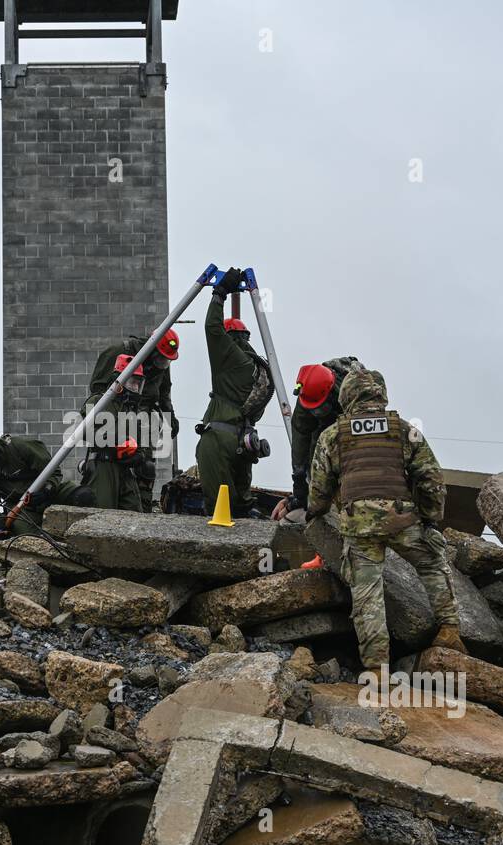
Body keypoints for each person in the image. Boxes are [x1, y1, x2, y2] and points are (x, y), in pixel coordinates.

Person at [305, 368, 465, 678]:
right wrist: (430, 519)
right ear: (381, 394)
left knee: (367, 595)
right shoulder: (405, 431)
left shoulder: (333, 434)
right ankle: (449, 630)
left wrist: (317, 510)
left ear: (346, 397)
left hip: (358, 525)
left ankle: (377, 670)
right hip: (401, 518)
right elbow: (431, 478)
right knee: (432, 564)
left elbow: (319, 488)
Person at [193, 267, 274, 518]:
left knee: (218, 512)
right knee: (240, 508)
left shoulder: (229, 357)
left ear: (231, 338)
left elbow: (212, 328)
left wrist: (219, 293)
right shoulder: (258, 367)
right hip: (243, 441)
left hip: (218, 442)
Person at [88, 328, 180, 510]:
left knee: (145, 466)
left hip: (144, 417)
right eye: (161, 358)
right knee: (117, 460)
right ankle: (113, 497)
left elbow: (164, 392)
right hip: (118, 413)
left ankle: (143, 508)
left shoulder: (160, 365)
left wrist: (170, 415)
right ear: (152, 349)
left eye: (166, 360)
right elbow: (97, 388)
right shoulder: (118, 353)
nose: (162, 364)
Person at [272, 357, 363, 522]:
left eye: (319, 409)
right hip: (325, 421)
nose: (316, 412)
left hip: (349, 426)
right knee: (315, 451)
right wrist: (299, 482)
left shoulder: (353, 393)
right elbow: (300, 437)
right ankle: (314, 497)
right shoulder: (307, 393)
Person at [0, 433, 95, 535]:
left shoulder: (17, 447)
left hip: (48, 492)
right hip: (21, 509)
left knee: (84, 496)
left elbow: (53, 471)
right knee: (23, 533)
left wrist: (47, 489)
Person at [79, 354, 147, 512]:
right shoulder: (99, 402)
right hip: (103, 467)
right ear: (120, 381)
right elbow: (84, 432)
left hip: (125, 469)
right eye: (132, 382)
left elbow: (141, 444)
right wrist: (115, 440)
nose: (136, 388)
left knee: (135, 515)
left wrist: (139, 455)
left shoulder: (133, 412)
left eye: (138, 383)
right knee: (103, 513)